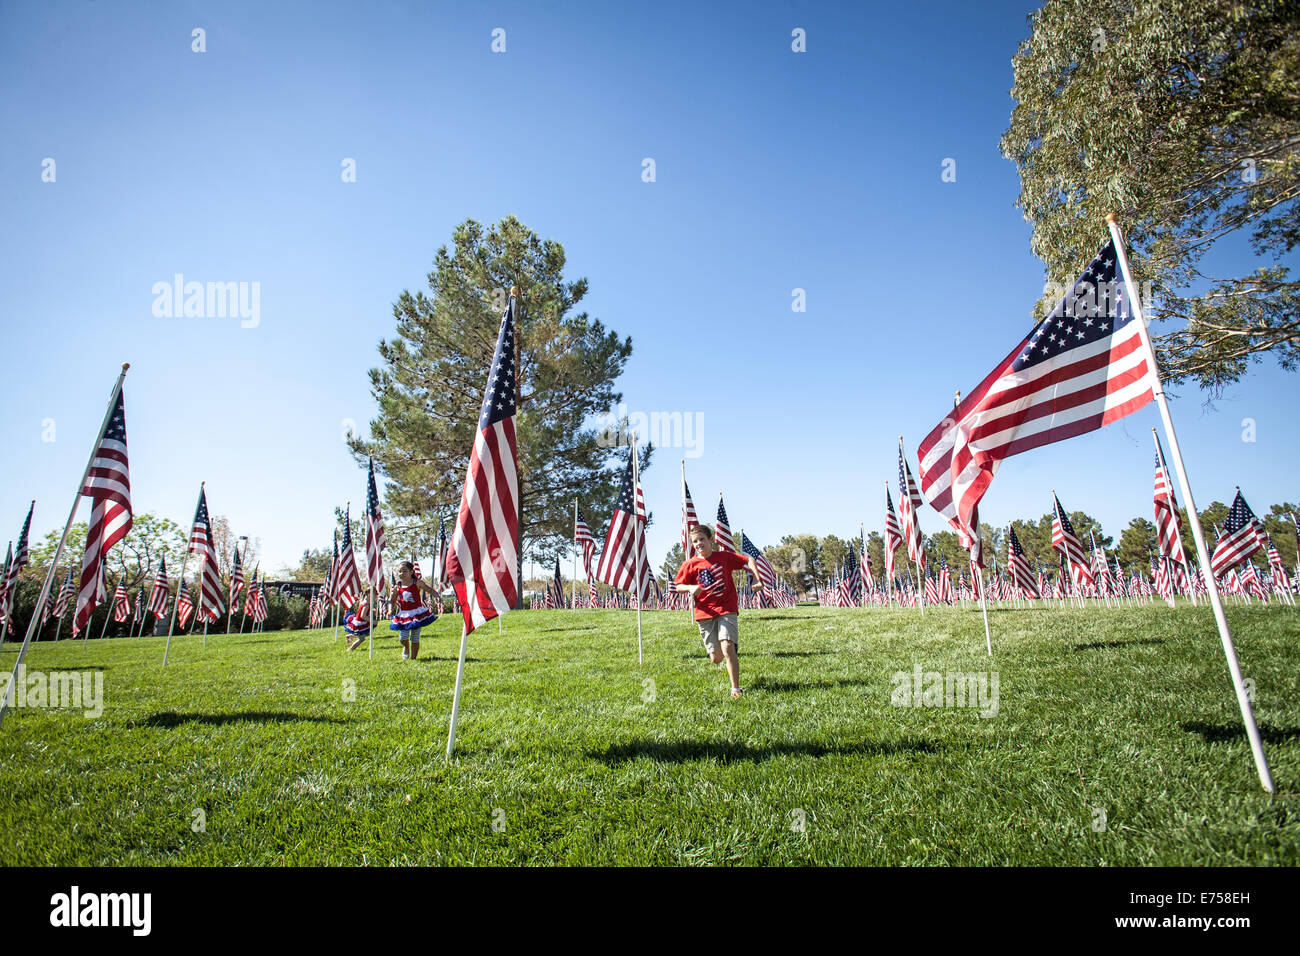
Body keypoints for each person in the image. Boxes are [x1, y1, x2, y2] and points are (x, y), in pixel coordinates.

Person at [673, 523, 765, 698]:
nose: (699, 543)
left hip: (726, 608)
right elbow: (677, 586)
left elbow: (749, 560)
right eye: (695, 541)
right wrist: (690, 588)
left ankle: (736, 689)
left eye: (702, 539)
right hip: (704, 613)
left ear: (710, 540)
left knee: (727, 646)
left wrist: (756, 579)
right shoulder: (690, 565)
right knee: (716, 657)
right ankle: (726, 650)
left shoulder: (724, 557)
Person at [387, 561, 440, 659]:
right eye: (399, 571)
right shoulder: (397, 587)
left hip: (417, 613)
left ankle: (413, 658)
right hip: (404, 614)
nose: (401, 573)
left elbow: (430, 590)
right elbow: (392, 600)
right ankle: (406, 647)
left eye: (404, 571)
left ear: (411, 572)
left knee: (415, 637)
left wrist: (437, 596)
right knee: (403, 637)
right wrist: (390, 610)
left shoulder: (417, 582)